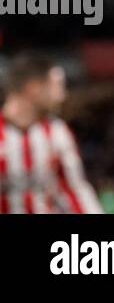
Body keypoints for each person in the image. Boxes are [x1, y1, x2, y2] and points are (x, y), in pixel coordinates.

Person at [0, 54, 102, 214]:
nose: (63, 96)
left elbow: (75, 191)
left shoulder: (57, 133)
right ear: (34, 88)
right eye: (57, 87)